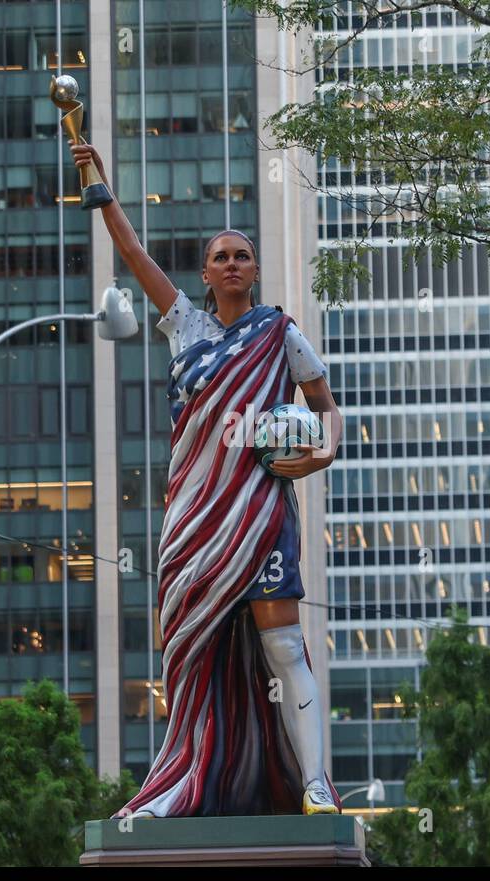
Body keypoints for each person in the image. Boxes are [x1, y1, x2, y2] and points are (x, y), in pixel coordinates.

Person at [71, 140, 344, 817]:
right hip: (195, 520)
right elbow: (134, 254)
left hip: (261, 512)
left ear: (254, 270)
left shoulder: (281, 333)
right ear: (204, 272)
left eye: (241, 255)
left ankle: (314, 784)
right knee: (190, 652)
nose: (231, 263)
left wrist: (317, 456)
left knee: (283, 645)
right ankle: (182, 781)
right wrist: (96, 181)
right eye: (220, 256)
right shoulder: (185, 327)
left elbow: (327, 413)